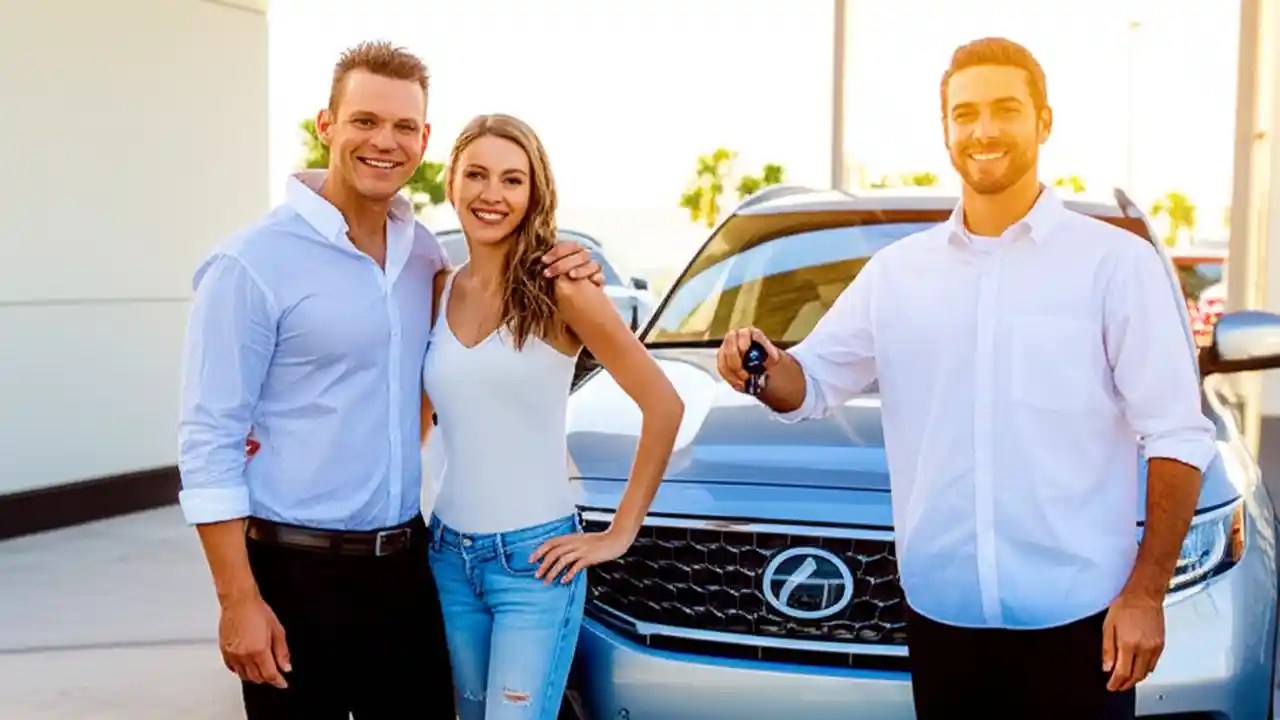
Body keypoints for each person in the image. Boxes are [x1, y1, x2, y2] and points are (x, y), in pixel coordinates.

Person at [715, 36, 1215, 720]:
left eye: (1005, 109)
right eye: (965, 113)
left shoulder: (1114, 265)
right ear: (946, 130)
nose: (983, 130)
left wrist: (1145, 593)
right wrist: (762, 371)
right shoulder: (899, 273)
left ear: (1043, 121)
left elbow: (1177, 436)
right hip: (942, 619)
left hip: (1079, 624)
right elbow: (811, 383)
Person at [176, 41, 604, 719]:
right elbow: (208, 441)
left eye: (405, 127)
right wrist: (238, 599)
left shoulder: (424, 255)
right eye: (366, 120)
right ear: (327, 124)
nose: (386, 141)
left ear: (425, 139)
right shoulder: (250, 263)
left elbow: (431, 390)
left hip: (408, 568)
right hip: (294, 573)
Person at [421, 112, 684, 720]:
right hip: (448, 557)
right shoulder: (438, 287)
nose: (493, 194)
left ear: (534, 192)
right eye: (477, 175)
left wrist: (618, 534)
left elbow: (663, 404)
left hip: (534, 565)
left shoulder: (561, 289)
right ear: (450, 183)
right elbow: (423, 419)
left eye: (513, 180)